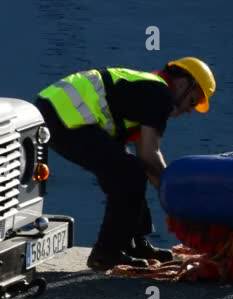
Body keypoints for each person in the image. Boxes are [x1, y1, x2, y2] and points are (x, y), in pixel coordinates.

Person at [34, 57, 216, 270]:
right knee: (128, 175)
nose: (189, 110)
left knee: (130, 170)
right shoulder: (160, 95)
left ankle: (135, 244)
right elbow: (150, 154)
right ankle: (106, 253)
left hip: (57, 111)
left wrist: (166, 190)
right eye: (192, 101)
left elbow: (145, 158)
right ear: (184, 84)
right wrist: (176, 196)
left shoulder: (147, 88)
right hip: (63, 116)